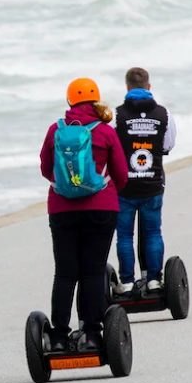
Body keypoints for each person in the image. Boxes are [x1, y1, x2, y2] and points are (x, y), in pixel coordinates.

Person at [39, 78, 129, 353]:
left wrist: (68, 185)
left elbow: (45, 169)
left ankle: (56, 337)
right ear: (96, 100)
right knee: (92, 271)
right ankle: (90, 334)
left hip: (62, 211)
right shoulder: (105, 131)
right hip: (101, 209)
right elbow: (122, 176)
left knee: (65, 273)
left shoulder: (56, 130)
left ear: (70, 102)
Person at [114, 68, 175, 296]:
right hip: (153, 184)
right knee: (152, 232)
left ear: (127, 87)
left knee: (125, 235)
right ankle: (154, 281)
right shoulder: (164, 114)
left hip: (125, 186)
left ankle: (127, 282)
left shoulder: (116, 114)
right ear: (149, 87)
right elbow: (168, 145)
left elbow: (112, 148)